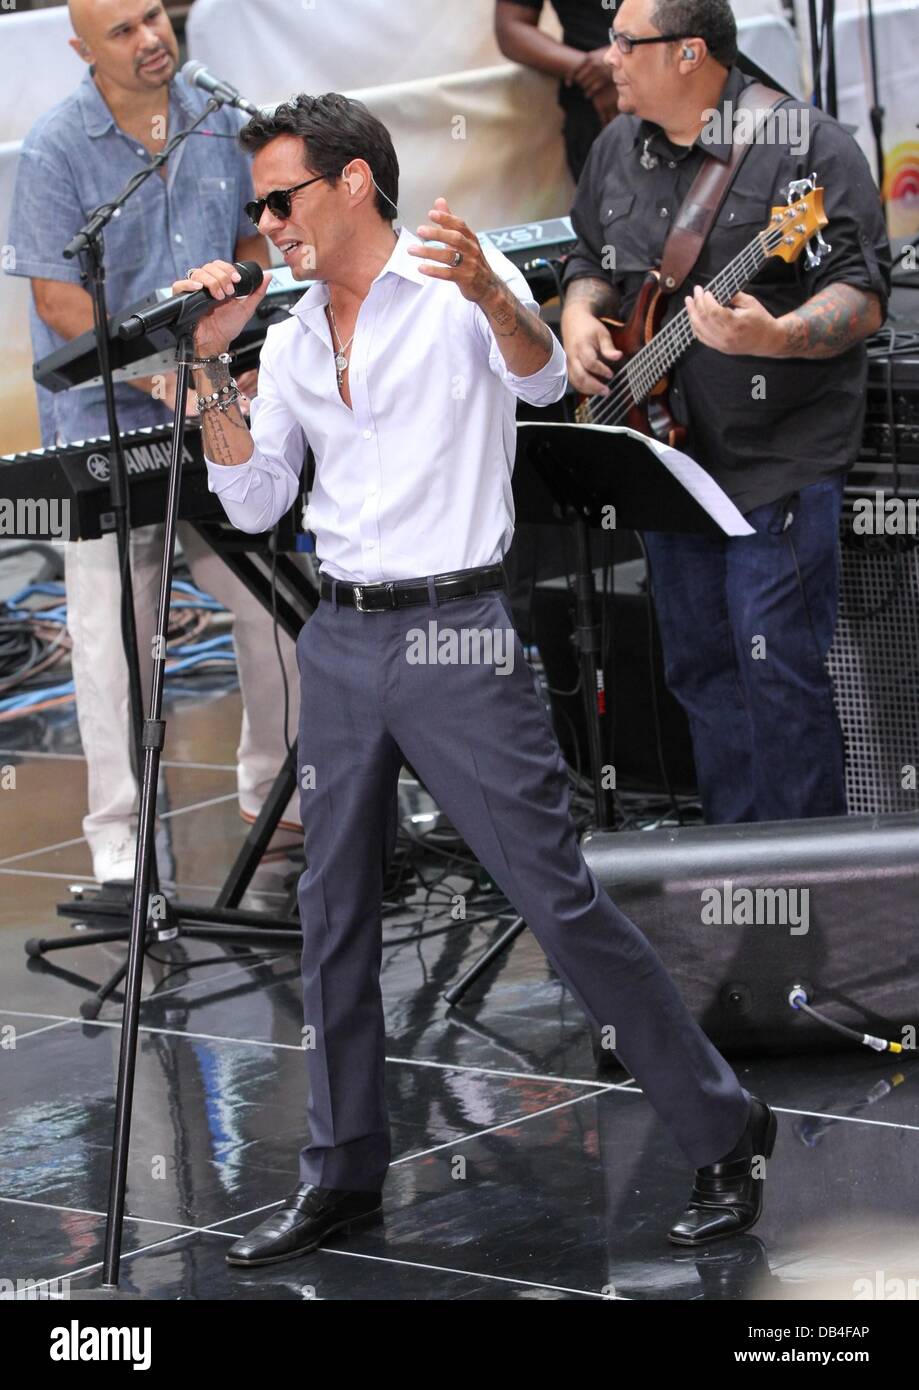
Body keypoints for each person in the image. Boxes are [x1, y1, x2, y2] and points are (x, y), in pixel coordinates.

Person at [174, 90, 775, 1265]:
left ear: (352, 183)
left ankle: (723, 1125)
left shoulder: (460, 278)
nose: (268, 225)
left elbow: (543, 381)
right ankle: (343, 1173)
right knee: (330, 917)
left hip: (456, 635)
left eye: (282, 199)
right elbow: (249, 501)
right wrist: (208, 377)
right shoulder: (291, 337)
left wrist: (497, 294)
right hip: (341, 641)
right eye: (257, 207)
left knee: (556, 900)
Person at [561, 0, 891, 824]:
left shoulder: (807, 147)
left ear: (687, 53)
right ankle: (735, 871)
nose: (607, 58)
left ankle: (805, 878)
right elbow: (586, 259)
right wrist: (576, 315)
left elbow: (859, 295)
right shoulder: (614, 147)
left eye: (626, 43)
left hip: (773, 461)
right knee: (701, 669)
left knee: (776, 671)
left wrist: (776, 336)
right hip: (668, 459)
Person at [5, 0, 301, 882]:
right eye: (124, 31)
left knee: (278, 605)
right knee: (112, 645)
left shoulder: (218, 116)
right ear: (80, 51)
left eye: (154, 18)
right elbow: (59, 303)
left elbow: (256, 233)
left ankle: (276, 788)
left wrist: (238, 332)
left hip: (210, 410)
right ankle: (119, 842)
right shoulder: (57, 148)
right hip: (106, 425)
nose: (151, 41)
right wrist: (156, 373)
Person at [495, 0, 619, 179]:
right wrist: (594, 72)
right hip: (596, 113)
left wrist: (622, 56)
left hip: (667, 94)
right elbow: (511, 27)